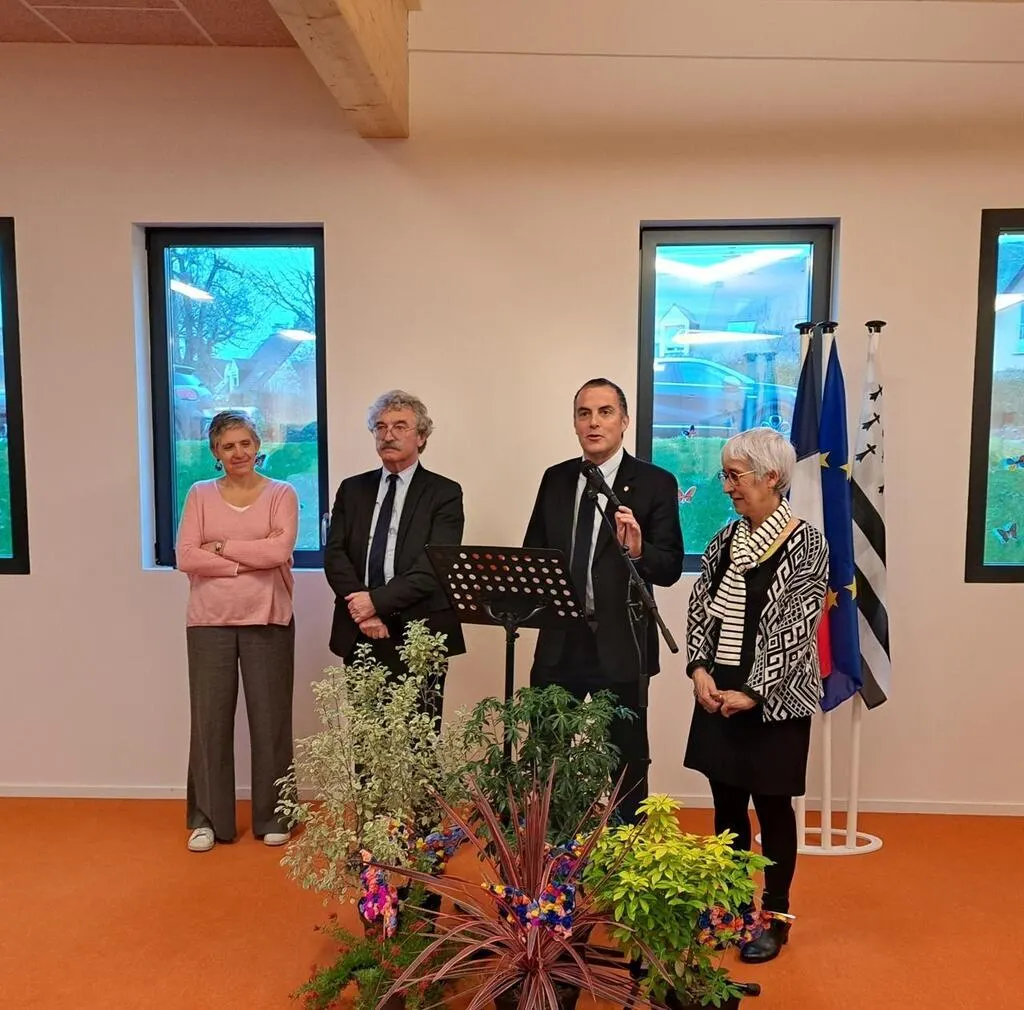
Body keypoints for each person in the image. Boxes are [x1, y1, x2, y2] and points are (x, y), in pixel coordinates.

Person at [683, 427, 828, 963]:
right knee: (725, 809)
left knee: (773, 810)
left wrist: (753, 691)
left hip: (775, 700)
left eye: (734, 476)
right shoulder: (725, 539)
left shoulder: (809, 543)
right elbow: (701, 607)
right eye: (725, 475)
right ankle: (731, 907)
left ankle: (776, 916)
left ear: (772, 477)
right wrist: (699, 668)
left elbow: (794, 627)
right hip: (718, 690)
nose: (727, 487)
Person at [524, 378, 684, 824]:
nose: (594, 422)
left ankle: (624, 855)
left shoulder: (654, 483)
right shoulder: (556, 479)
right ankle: (548, 854)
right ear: (575, 422)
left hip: (622, 642)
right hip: (561, 641)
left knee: (626, 759)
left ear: (625, 420)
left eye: (605, 412)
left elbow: (669, 566)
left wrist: (637, 551)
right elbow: (535, 551)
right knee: (546, 754)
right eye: (584, 413)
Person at [175, 410, 298, 854]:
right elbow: (186, 556)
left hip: (268, 617)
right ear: (215, 453)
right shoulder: (199, 494)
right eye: (228, 446)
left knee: (271, 722)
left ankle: (275, 816)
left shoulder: (281, 493)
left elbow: (280, 550)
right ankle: (208, 819)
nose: (238, 452)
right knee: (209, 723)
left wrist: (223, 549)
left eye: (245, 443)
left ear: (257, 445)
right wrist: (251, 558)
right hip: (209, 621)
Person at [324, 390, 465, 718]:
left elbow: (433, 566)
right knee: (367, 745)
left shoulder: (444, 493)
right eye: (380, 426)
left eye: (400, 426)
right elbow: (335, 555)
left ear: (422, 436)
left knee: (419, 745)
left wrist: (376, 602)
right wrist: (365, 611)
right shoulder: (352, 489)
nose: (388, 435)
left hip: (420, 631)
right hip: (360, 630)